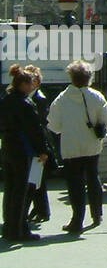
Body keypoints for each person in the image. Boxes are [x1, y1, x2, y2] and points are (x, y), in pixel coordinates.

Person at [46, 60, 107, 235]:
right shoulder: (96, 96)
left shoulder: (62, 99)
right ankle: (97, 214)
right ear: (89, 77)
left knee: (75, 183)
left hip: (71, 146)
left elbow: (54, 125)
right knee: (93, 177)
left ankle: (77, 220)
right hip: (91, 144)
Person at [1, 66, 50, 242]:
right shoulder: (26, 104)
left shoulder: (6, 100)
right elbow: (34, 130)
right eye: (30, 83)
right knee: (22, 192)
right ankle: (19, 229)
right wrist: (43, 150)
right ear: (23, 84)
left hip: (8, 148)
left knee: (10, 189)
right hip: (23, 151)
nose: (32, 86)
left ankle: (9, 227)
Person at [24, 65, 53, 228]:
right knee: (37, 180)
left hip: (38, 145)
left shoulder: (39, 99)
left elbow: (41, 123)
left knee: (36, 179)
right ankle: (42, 210)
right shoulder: (31, 98)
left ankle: (41, 210)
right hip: (35, 144)